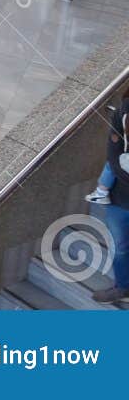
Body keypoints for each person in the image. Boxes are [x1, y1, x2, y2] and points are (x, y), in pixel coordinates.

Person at [87, 90, 129, 305]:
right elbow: (113, 156)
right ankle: (122, 287)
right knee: (120, 248)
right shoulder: (124, 109)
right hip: (120, 201)